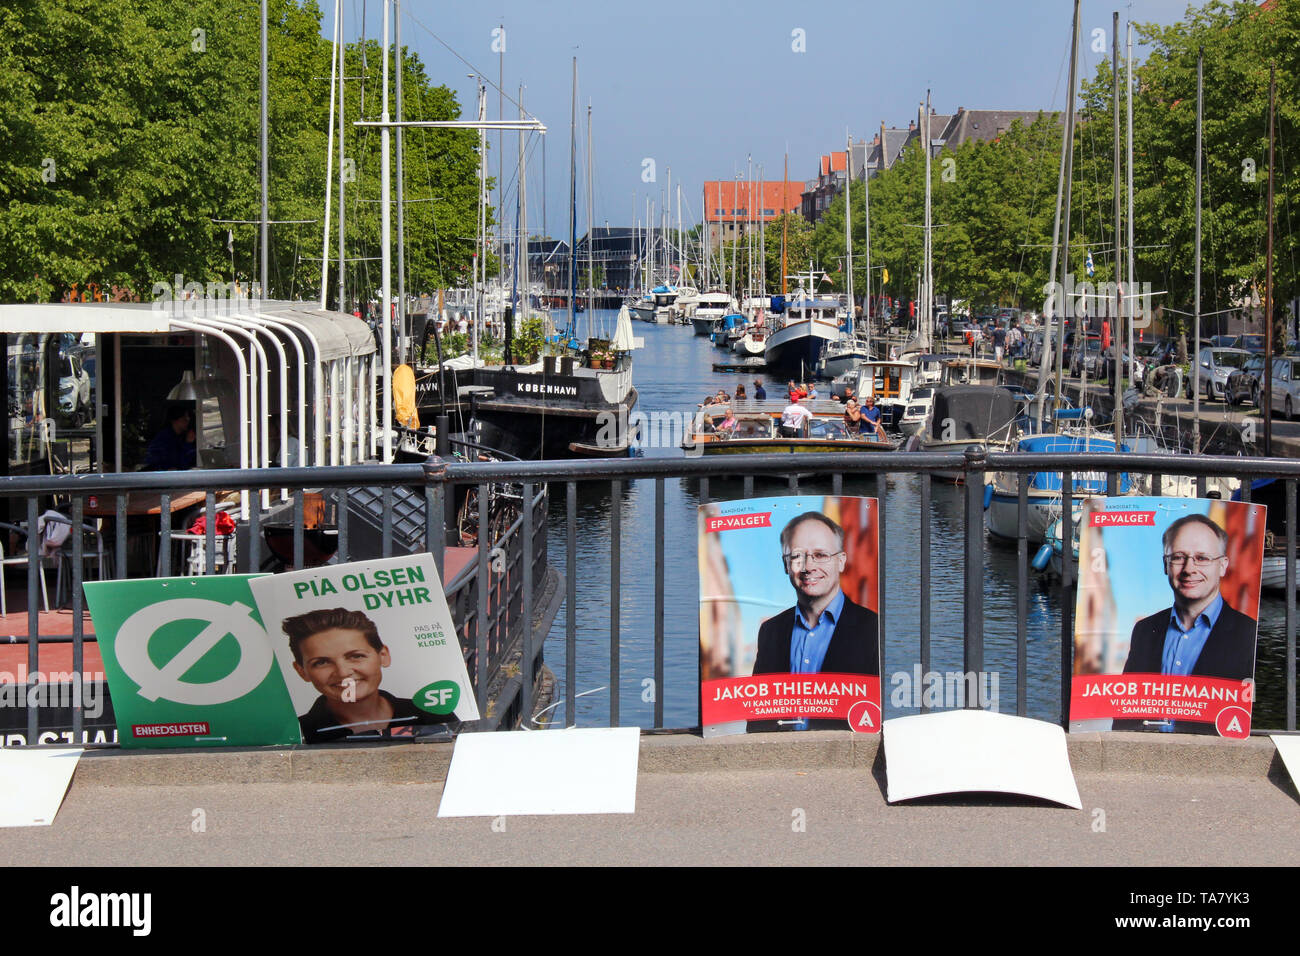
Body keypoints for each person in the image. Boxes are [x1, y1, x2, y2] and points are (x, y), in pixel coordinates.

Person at [1118, 514, 1257, 733]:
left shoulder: (1249, 633)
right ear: (1166, 565)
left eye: (1202, 558)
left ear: (1222, 566)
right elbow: (1124, 716)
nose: (1189, 569)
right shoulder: (1144, 630)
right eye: (1178, 557)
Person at [749, 512, 880, 732]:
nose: (808, 566)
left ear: (840, 562)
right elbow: (758, 718)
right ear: (785, 565)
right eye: (797, 556)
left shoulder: (873, 629)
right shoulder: (770, 631)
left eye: (820, 555)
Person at [282, 607, 457, 743]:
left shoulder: (434, 716)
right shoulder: (295, 734)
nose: (343, 673)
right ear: (301, 671)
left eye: (356, 656)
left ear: (383, 656)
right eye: (321, 662)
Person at [144, 404, 196, 470]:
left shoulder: (180, 437)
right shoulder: (164, 437)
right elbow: (178, 461)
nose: (188, 420)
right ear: (175, 420)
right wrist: (188, 443)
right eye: (184, 418)